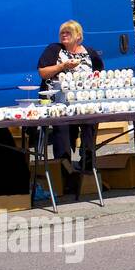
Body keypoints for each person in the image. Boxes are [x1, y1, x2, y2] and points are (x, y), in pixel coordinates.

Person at [37, 20, 104, 178]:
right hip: (59, 103)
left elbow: (100, 73)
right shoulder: (54, 50)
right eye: (62, 32)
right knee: (62, 135)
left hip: (85, 102)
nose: (64, 35)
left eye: (68, 32)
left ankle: (88, 168)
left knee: (90, 128)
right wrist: (62, 66)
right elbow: (43, 72)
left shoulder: (90, 52)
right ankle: (63, 174)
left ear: (78, 36)